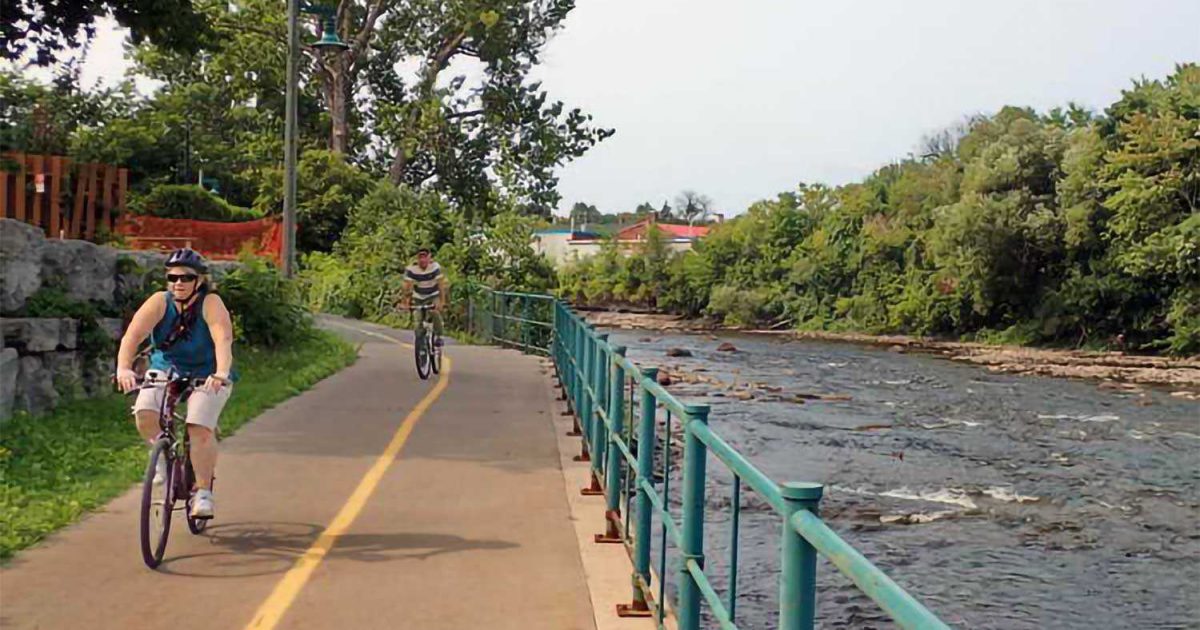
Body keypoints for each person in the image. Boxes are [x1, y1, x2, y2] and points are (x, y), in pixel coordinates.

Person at [115, 248, 236, 519]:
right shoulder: (159, 301)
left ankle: (202, 492)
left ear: (199, 281)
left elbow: (223, 338)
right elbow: (132, 336)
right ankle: (162, 459)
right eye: (172, 277)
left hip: (207, 373)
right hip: (166, 368)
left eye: (186, 278)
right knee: (144, 412)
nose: (178, 283)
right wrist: (123, 368)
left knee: (199, 425)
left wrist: (221, 372)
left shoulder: (211, 303)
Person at [400, 247, 447, 345]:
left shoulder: (435, 267)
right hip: (418, 297)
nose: (422, 260)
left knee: (434, 312)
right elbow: (406, 287)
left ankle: (439, 335)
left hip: (433, 295)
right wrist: (405, 303)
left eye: (425, 257)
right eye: (420, 257)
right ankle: (421, 345)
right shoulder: (412, 269)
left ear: (429, 258)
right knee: (417, 323)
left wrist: (442, 301)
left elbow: (441, 285)